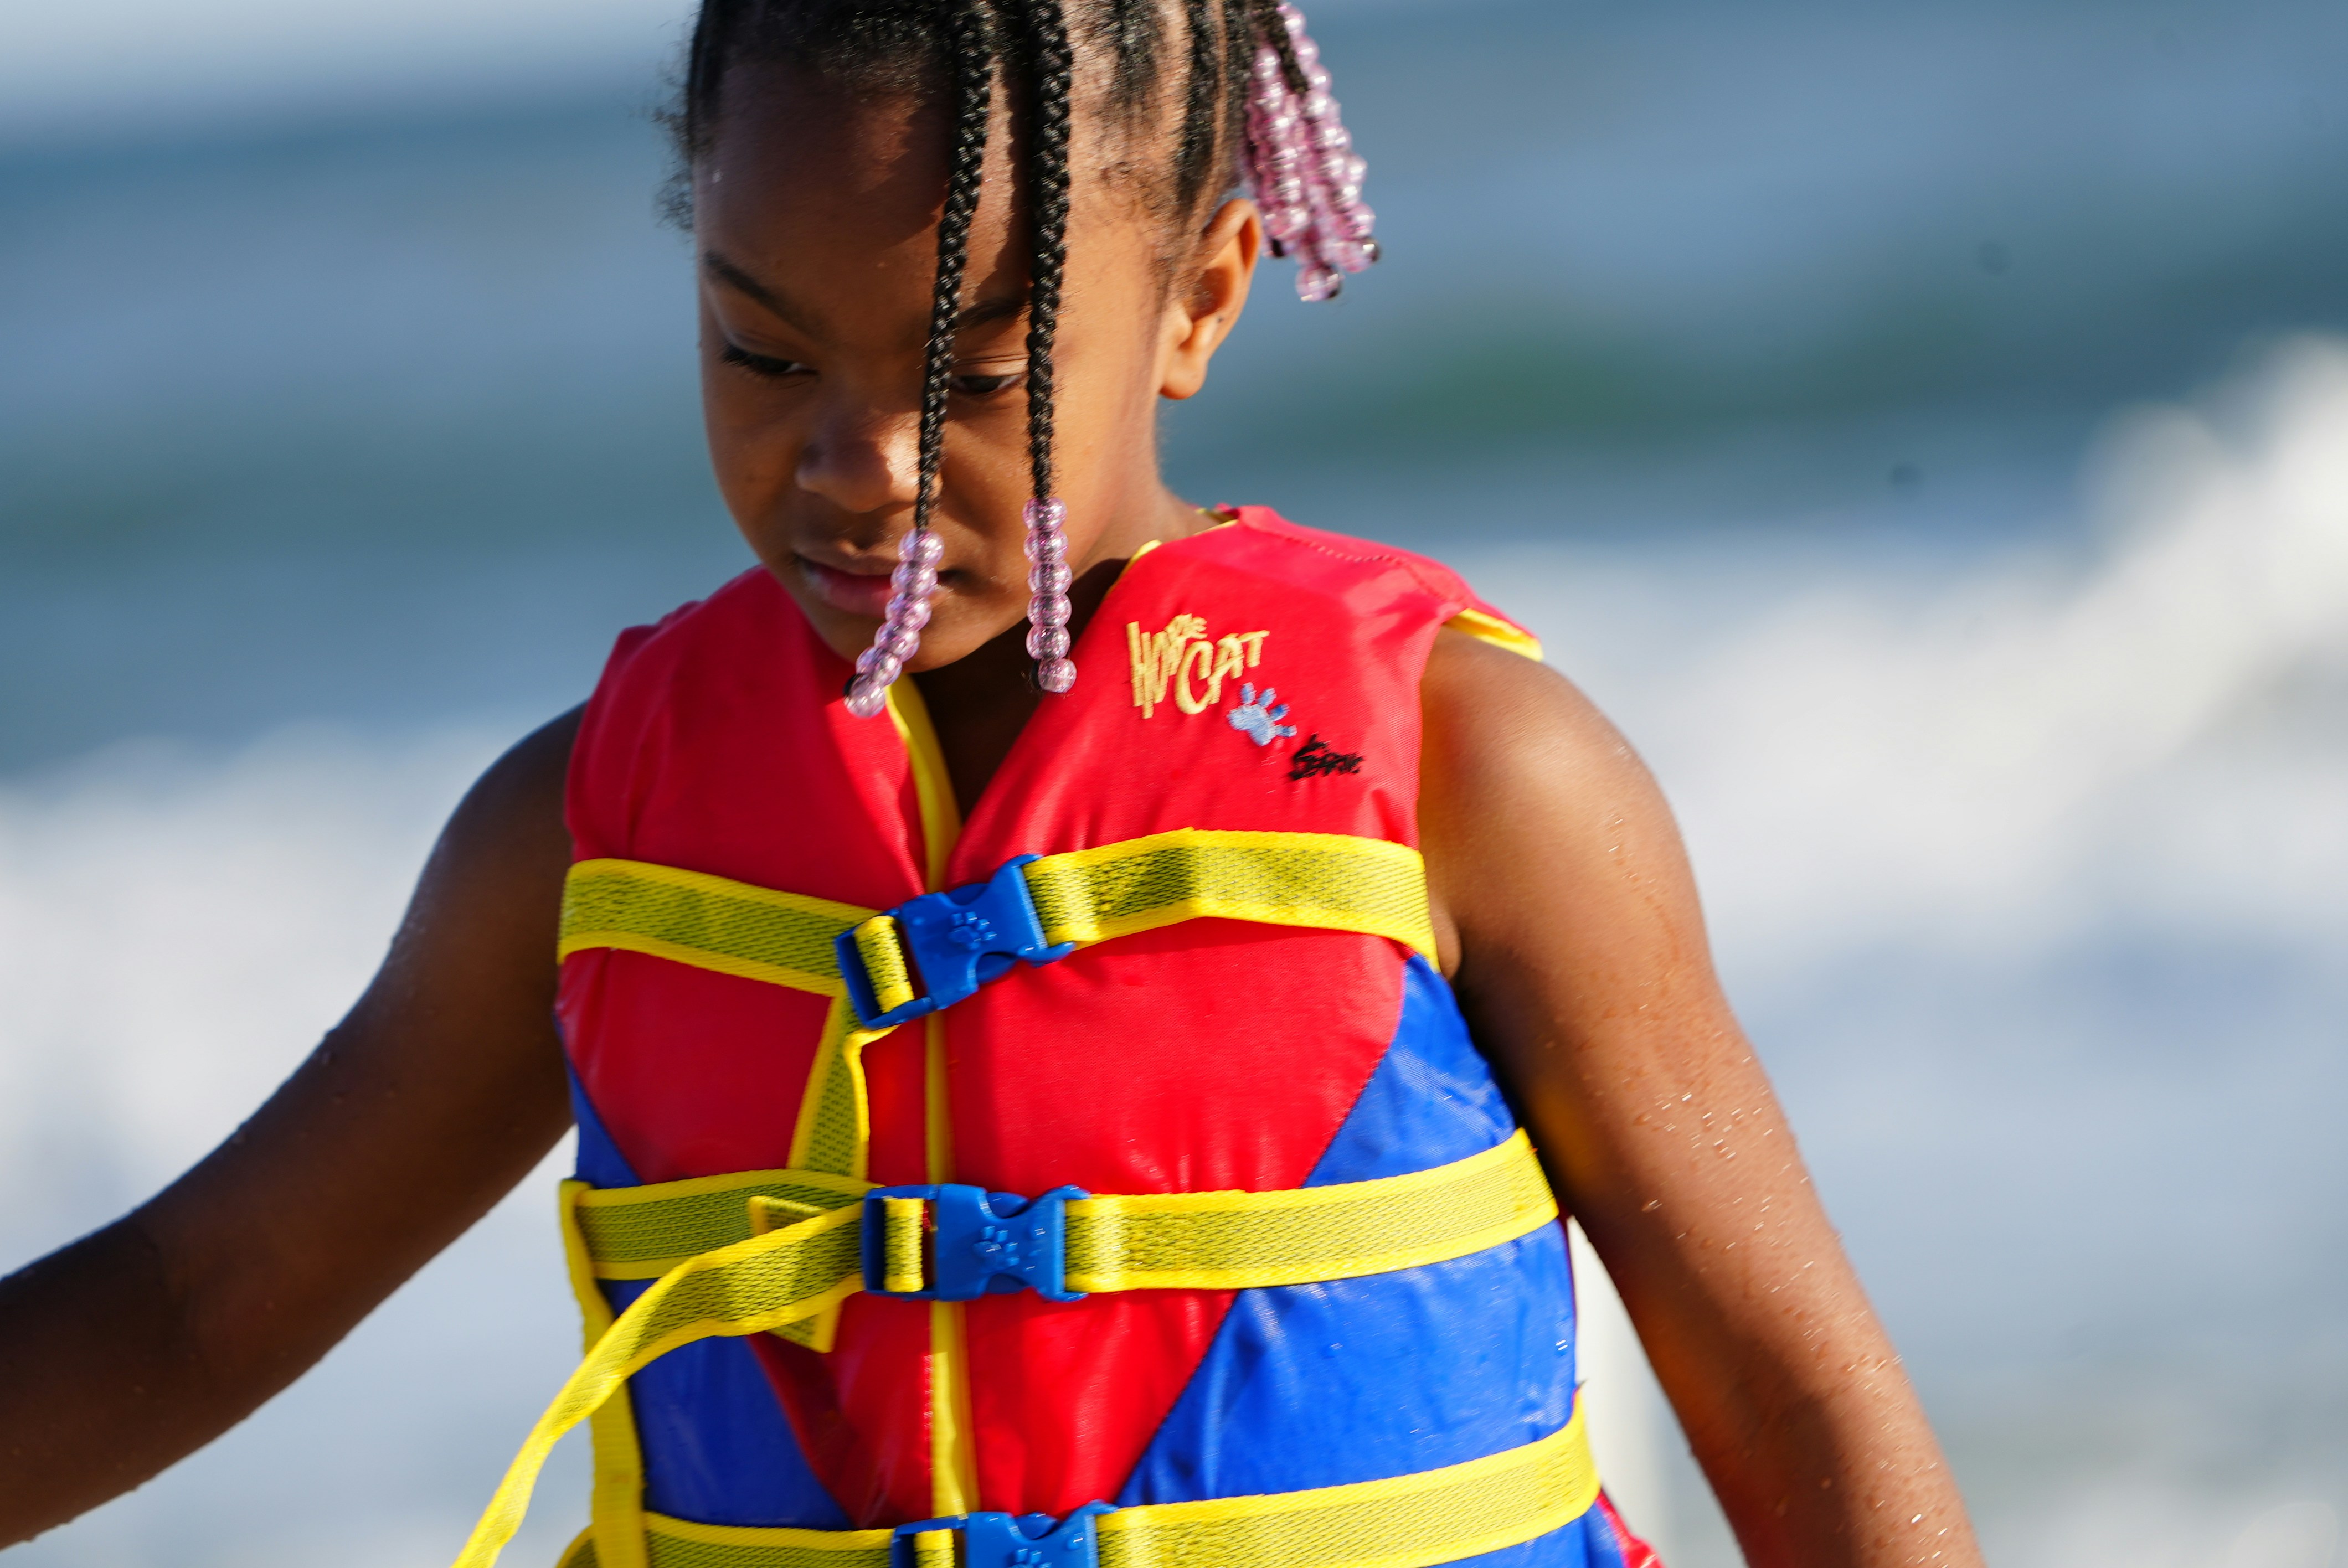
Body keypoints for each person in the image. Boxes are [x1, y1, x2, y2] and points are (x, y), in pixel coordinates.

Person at [0, 3, 1984, 1566]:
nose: (859, 465)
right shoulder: (585, 833)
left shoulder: (1464, 772)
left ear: (1204, 296)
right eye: (765, 359)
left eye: (972, 377)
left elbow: (1790, 1391)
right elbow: (199, 1304)